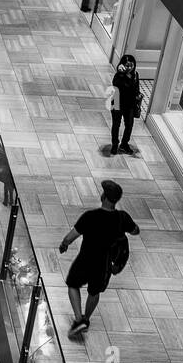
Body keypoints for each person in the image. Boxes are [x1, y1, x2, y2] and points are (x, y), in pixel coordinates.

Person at [58, 179, 140, 336]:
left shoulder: (90, 216)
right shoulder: (122, 218)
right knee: (94, 292)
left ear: (104, 197)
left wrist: (64, 244)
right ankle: (86, 319)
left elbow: (71, 237)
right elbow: (135, 231)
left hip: (85, 259)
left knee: (73, 285)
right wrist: (129, 228)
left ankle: (78, 319)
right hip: (104, 264)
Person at [105, 53, 142, 156]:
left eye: (131, 65)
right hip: (117, 102)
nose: (129, 67)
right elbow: (117, 85)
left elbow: (136, 88)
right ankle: (115, 144)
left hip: (130, 104)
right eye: (127, 65)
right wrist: (122, 74)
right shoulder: (119, 76)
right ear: (122, 65)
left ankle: (124, 144)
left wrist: (138, 96)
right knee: (116, 125)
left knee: (129, 125)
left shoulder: (136, 75)